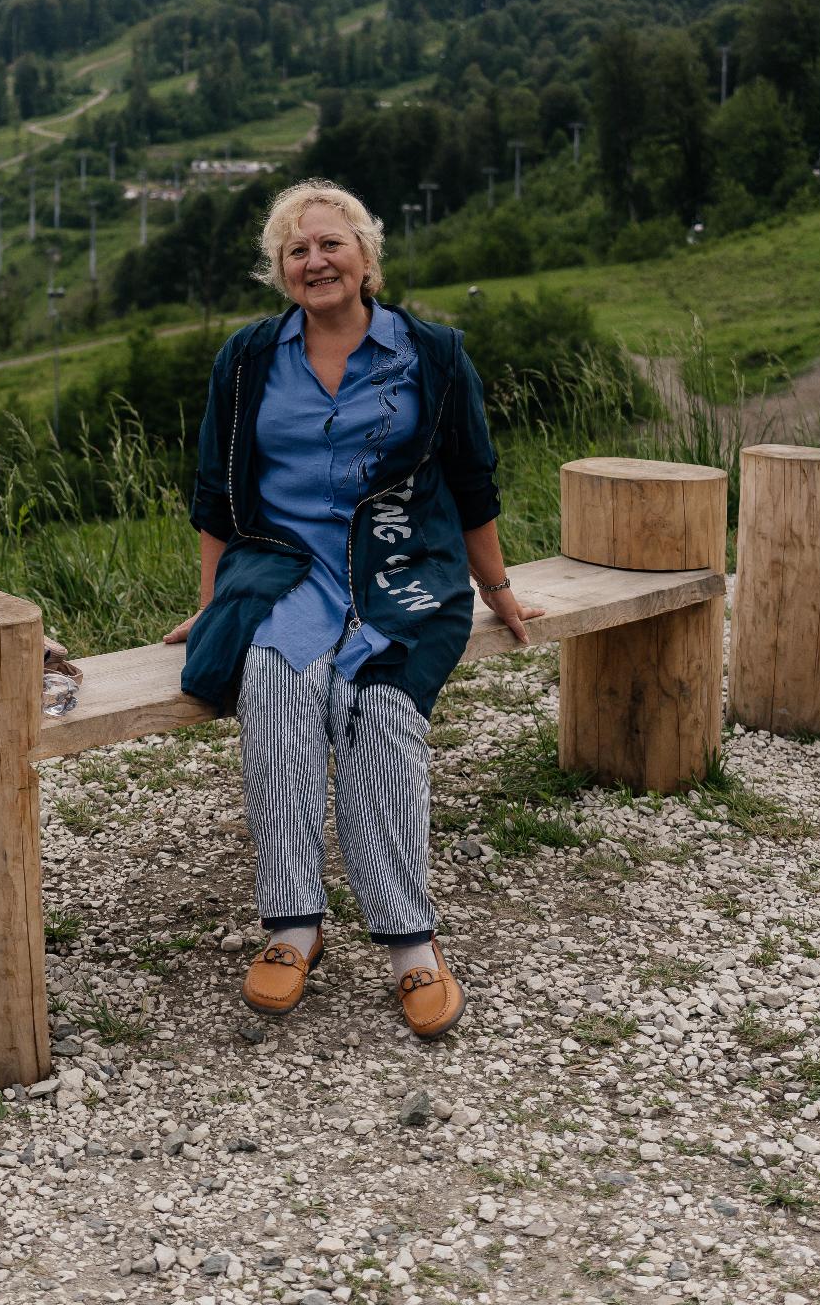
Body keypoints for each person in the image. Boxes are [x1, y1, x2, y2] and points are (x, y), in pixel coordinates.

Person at [164, 178, 542, 1038]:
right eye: (297, 250)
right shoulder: (250, 357)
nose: (315, 259)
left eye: (331, 243)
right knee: (272, 678)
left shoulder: (435, 354)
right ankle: (294, 923)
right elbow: (215, 497)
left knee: (377, 702)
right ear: (280, 271)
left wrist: (497, 586)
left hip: (403, 570)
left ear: (367, 257)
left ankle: (412, 940)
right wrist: (218, 603)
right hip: (285, 570)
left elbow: (474, 479)